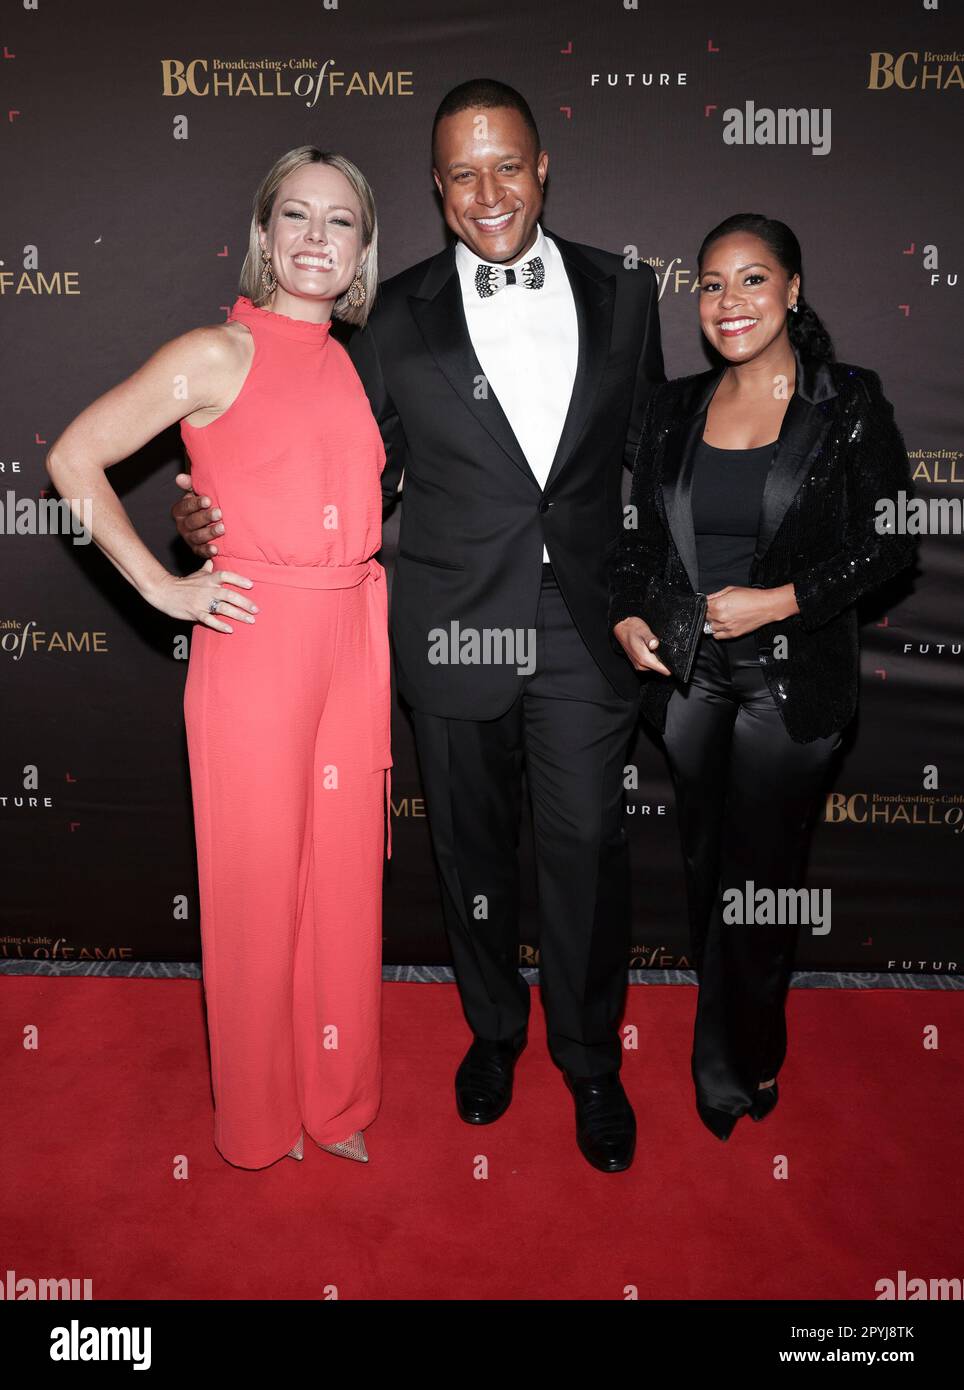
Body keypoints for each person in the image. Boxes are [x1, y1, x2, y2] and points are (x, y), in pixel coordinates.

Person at [174, 79, 666, 1173]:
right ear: (436, 189)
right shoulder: (393, 314)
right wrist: (206, 507)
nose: (486, 191)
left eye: (506, 166)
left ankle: (590, 1059)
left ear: (542, 168)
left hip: (582, 621)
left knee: (587, 842)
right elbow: (333, 457)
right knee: (468, 845)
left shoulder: (628, 293)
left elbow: (651, 463)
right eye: (460, 173)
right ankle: (493, 1033)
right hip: (447, 622)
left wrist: (649, 599)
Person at [46, 147, 391, 1169]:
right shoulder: (215, 352)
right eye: (297, 216)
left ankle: (334, 1100)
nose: (317, 238)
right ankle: (256, 1116)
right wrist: (161, 585)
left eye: (340, 221)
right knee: (250, 884)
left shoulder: (345, 360)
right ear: (265, 235)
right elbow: (74, 457)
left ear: (364, 248)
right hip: (256, 640)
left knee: (339, 882)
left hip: (350, 642)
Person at [609, 213, 918, 1140]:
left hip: (792, 685)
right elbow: (634, 546)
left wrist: (780, 599)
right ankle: (734, 1012)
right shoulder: (672, 411)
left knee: (760, 874)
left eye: (751, 280)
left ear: (791, 290)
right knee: (710, 867)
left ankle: (737, 1067)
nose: (729, 301)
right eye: (711, 284)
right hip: (691, 684)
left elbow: (892, 541)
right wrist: (628, 616)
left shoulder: (847, 401)